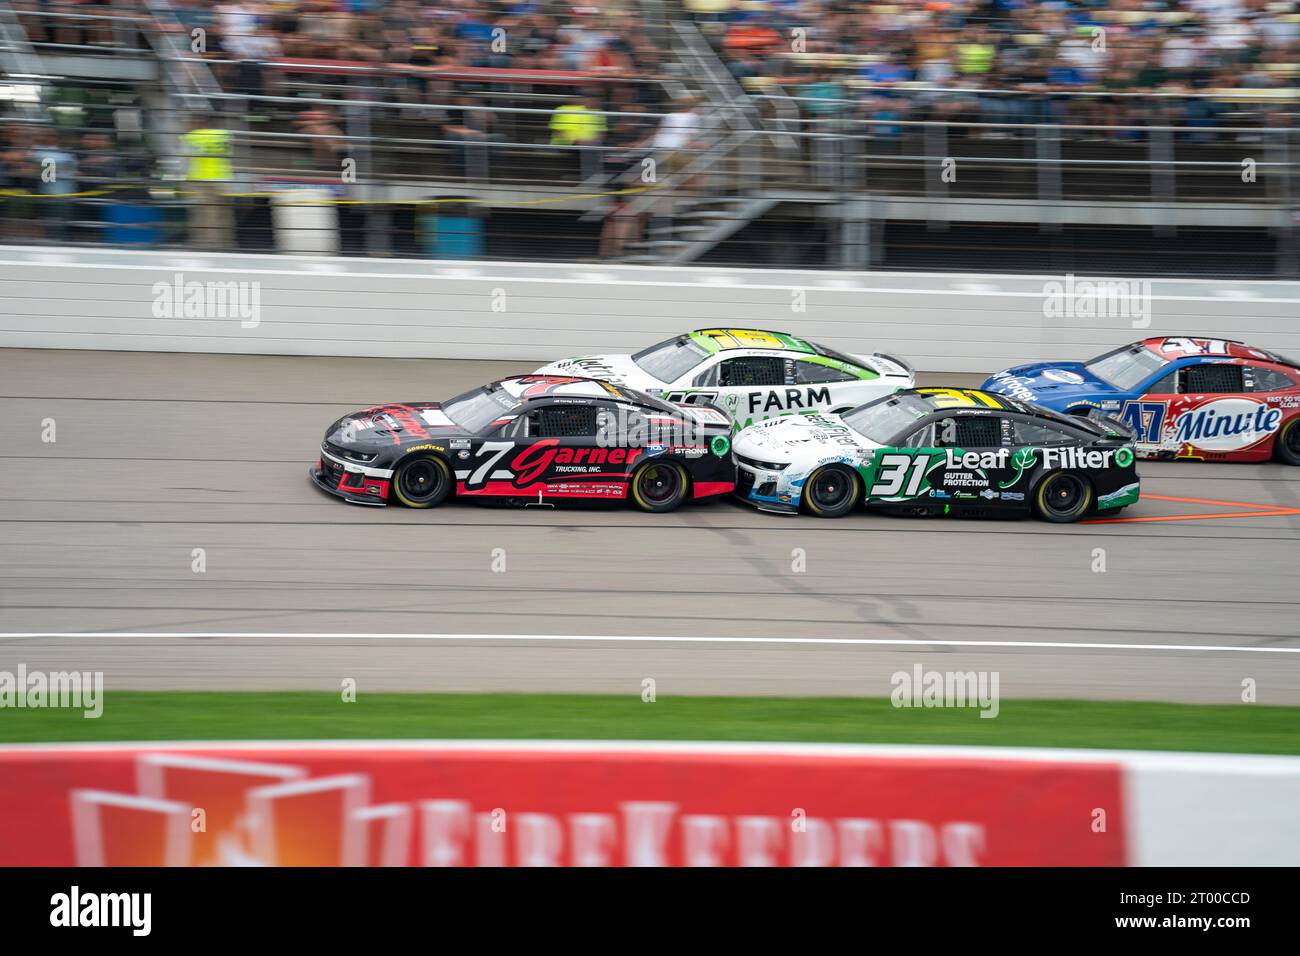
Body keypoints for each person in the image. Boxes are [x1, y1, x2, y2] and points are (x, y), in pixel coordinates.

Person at [182, 115, 235, 250]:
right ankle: (226, 244)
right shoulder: (223, 135)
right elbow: (229, 154)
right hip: (223, 179)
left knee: (204, 215)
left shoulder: (193, 137)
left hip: (202, 181)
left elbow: (186, 159)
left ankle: (207, 246)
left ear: (200, 123)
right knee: (223, 215)